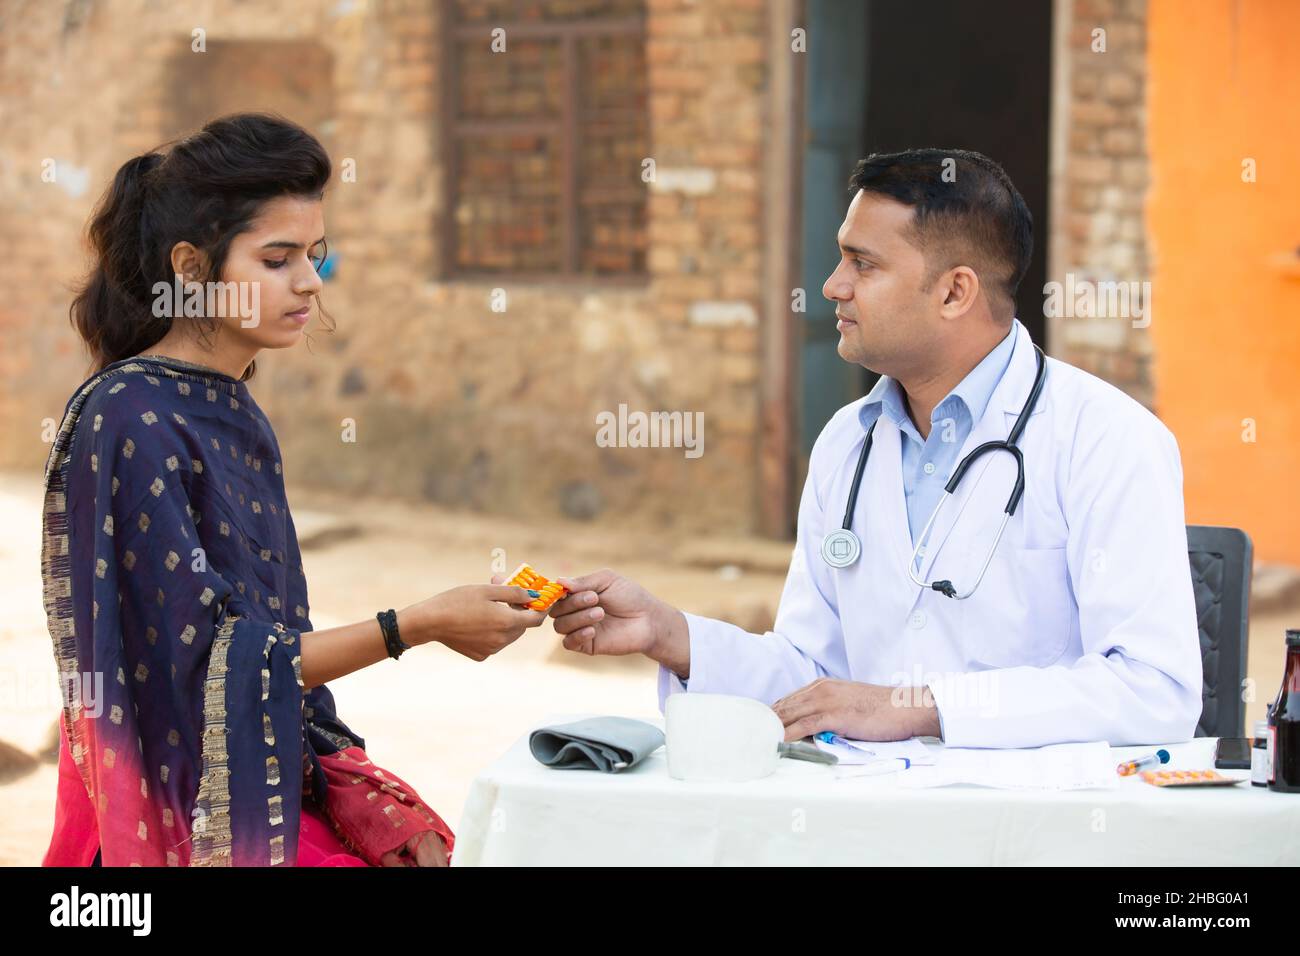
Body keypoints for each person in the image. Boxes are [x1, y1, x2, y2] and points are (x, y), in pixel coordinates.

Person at [547, 148, 1203, 750]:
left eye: (863, 264)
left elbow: (1152, 690)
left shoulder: (1107, 439)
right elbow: (815, 674)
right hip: (869, 819)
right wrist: (670, 635)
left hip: (1033, 831)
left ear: (954, 291)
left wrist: (919, 707)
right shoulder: (846, 443)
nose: (833, 286)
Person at [41, 113, 547, 867]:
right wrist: (415, 625)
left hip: (265, 779)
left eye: (315, 255)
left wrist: (362, 793)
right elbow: (207, 669)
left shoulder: (233, 410)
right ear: (191, 266)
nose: (310, 282)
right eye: (277, 259)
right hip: (174, 809)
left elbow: (273, 652)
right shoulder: (128, 416)